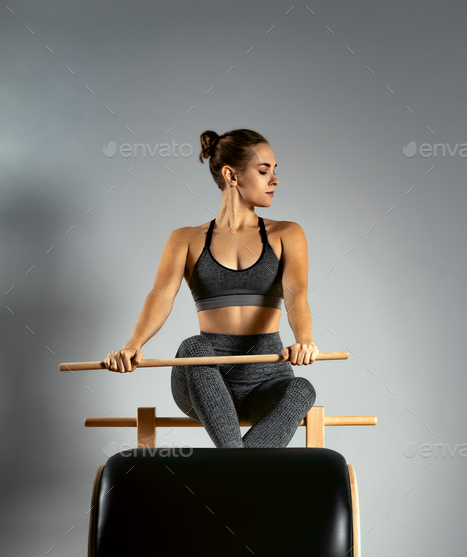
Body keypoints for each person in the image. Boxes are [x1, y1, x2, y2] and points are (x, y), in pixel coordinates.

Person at [103, 128, 318, 448]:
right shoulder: (185, 239)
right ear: (231, 175)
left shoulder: (287, 233)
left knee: (303, 390)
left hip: (264, 381)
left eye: (275, 171)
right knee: (193, 347)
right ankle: (239, 474)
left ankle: (231, 475)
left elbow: (296, 295)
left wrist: (305, 341)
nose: (274, 180)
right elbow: (161, 295)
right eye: (263, 171)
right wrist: (132, 345)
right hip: (203, 379)